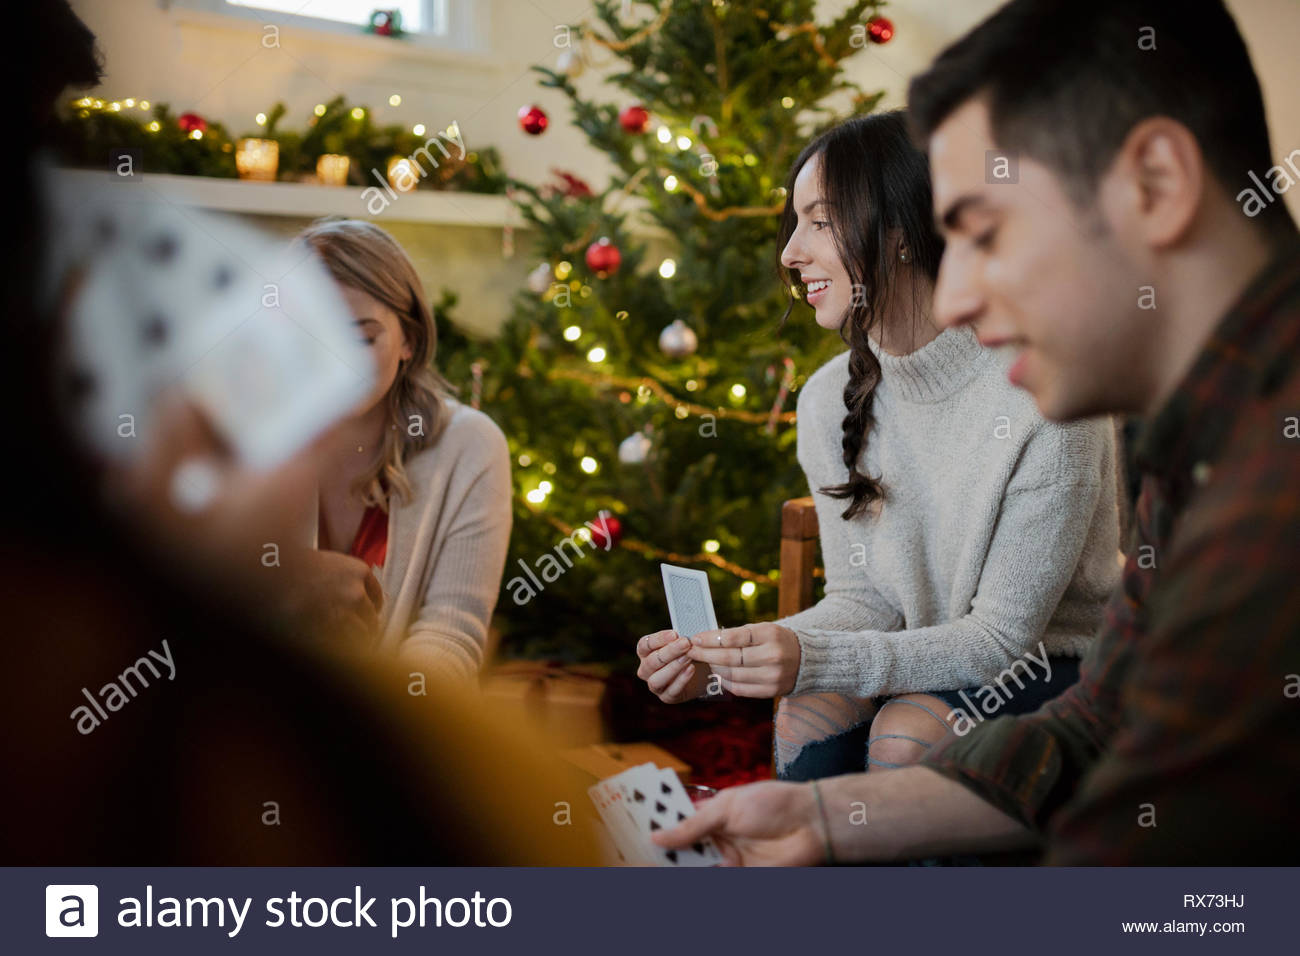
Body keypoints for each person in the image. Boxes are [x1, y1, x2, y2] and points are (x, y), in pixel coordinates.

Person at [655, 0, 1300, 864]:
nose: (955, 300)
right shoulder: (1201, 443)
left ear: (1155, 184)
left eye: (985, 234)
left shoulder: (1269, 486)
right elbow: (1095, 725)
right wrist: (826, 822)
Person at [636, 111, 1120, 780]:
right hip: (927, 651)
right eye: (794, 221)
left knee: (903, 734)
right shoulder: (828, 396)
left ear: (899, 230)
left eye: (820, 221)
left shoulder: (1049, 393)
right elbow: (866, 599)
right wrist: (725, 660)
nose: (789, 253)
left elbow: (1000, 641)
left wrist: (812, 659)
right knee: (810, 713)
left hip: (1054, 666)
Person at [280, 219, 512, 684]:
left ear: (408, 339)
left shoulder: (469, 446)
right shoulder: (242, 443)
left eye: (361, 338)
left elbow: (451, 633)